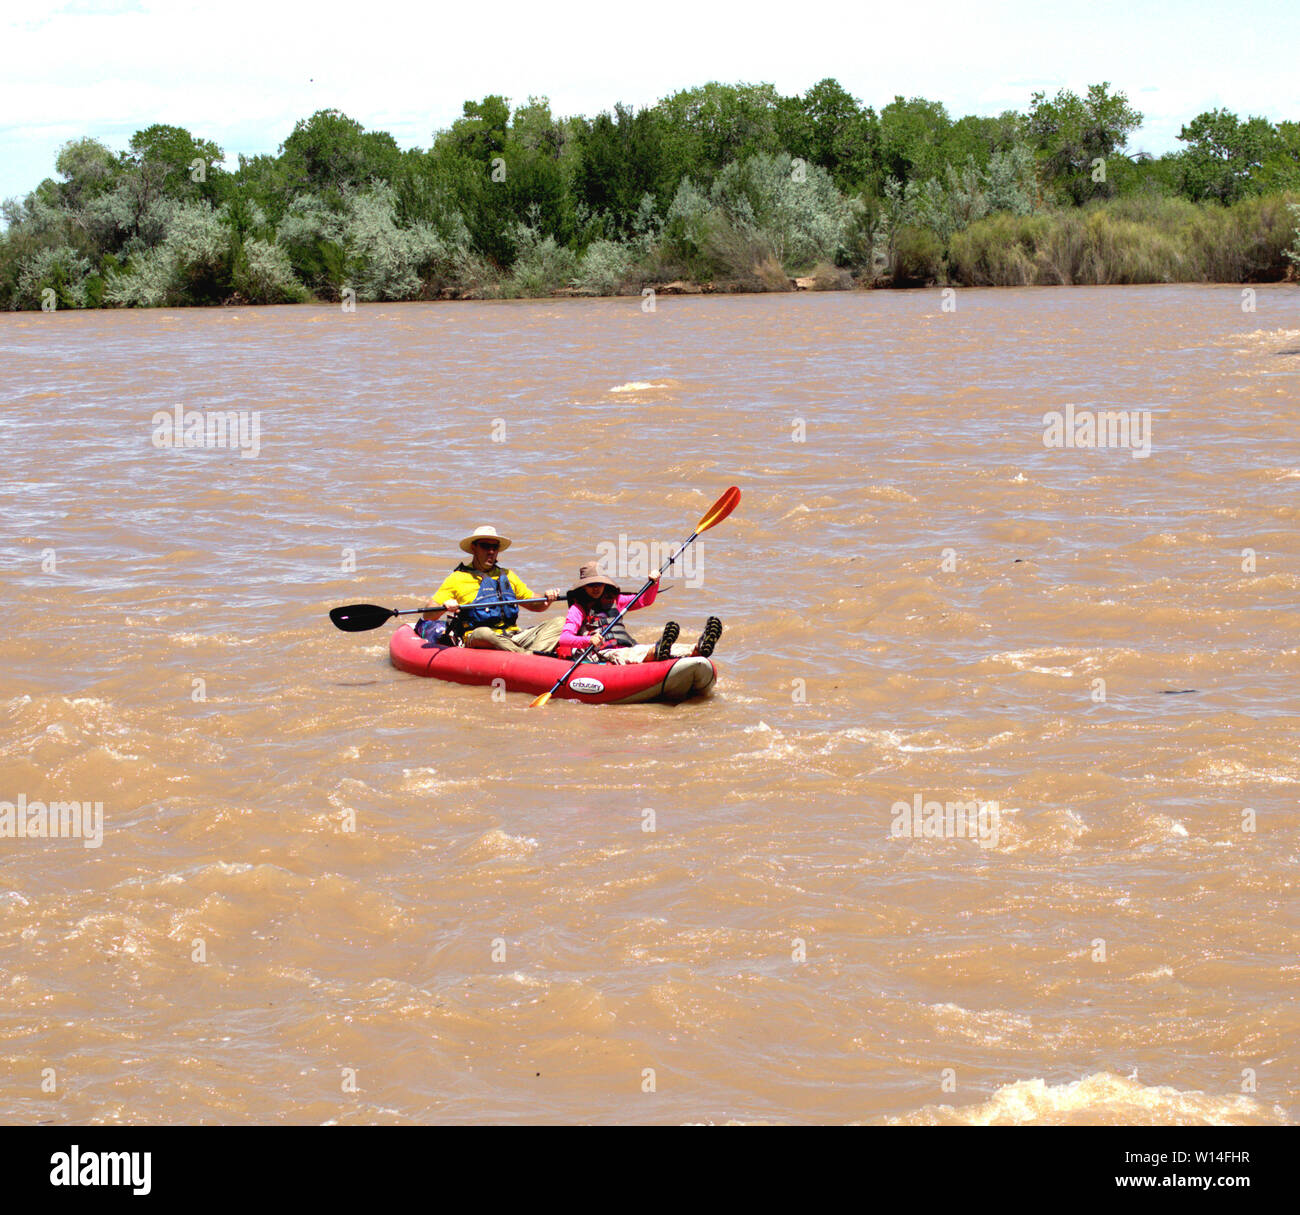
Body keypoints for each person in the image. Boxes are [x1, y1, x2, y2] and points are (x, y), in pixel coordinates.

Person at [420, 526, 564, 652]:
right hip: (478, 638)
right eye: (485, 546)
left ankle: (529, 655)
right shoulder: (457, 578)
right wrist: (445, 607)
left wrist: (547, 599)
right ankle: (529, 656)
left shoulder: (508, 575)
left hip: (512, 637)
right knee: (484, 633)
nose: (491, 551)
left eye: (494, 547)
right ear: (473, 548)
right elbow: (428, 615)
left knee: (561, 622)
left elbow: (534, 604)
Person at [556, 562, 722, 665]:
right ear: (583, 587)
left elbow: (645, 600)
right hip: (605, 654)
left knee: (642, 649)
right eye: (591, 584)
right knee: (638, 653)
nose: (596, 588)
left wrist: (654, 583)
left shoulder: (615, 600)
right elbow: (564, 639)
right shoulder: (578, 609)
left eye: (599, 583)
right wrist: (587, 640)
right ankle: (660, 650)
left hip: (628, 647)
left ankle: (698, 648)